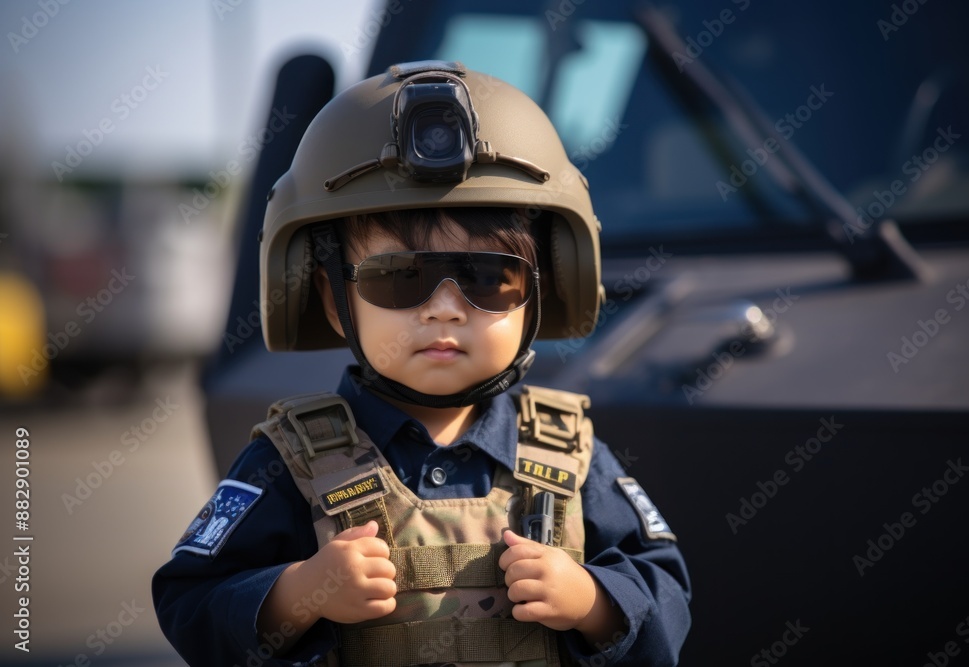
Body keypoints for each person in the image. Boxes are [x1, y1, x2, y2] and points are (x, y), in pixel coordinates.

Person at [153, 60, 691, 666]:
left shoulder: (569, 452)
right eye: (400, 277)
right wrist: (299, 594)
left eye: (489, 277)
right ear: (335, 299)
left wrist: (592, 601)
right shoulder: (289, 458)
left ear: (538, 291)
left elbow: (667, 596)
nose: (444, 310)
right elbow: (188, 601)